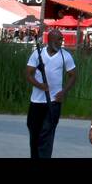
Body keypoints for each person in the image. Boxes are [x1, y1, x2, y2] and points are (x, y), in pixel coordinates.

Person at [25, 28, 78, 158]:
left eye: (62, 39)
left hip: (54, 102)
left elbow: (73, 75)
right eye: (59, 39)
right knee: (34, 134)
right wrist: (40, 85)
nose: (61, 42)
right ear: (50, 40)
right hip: (36, 102)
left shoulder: (65, 55)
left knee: (47, 135)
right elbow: (28, 74)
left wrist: (63, 92)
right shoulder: (37, 54)